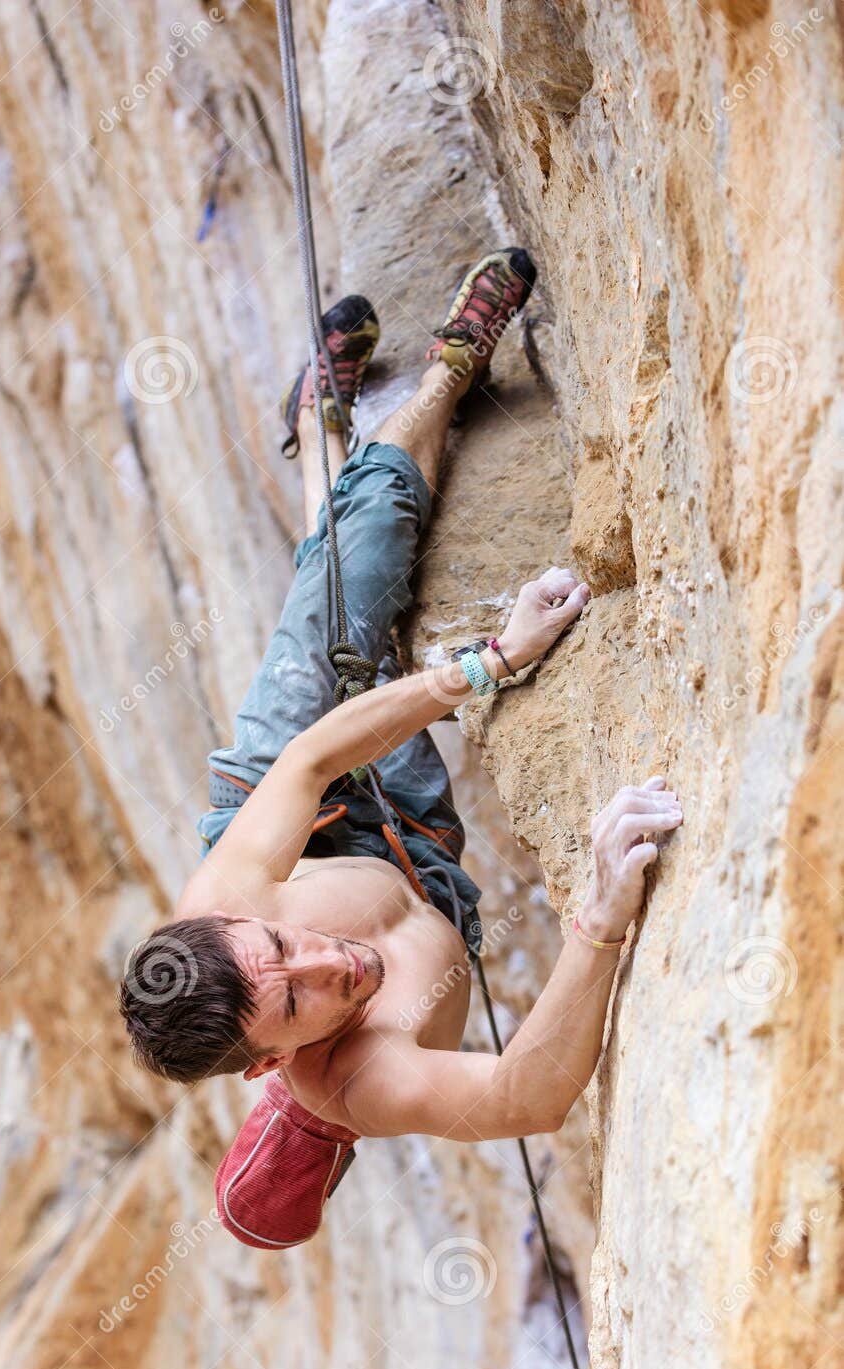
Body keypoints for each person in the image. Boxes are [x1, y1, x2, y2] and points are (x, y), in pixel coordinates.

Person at [120, 251, 683, 1144]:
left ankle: (446, 373)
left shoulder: (227, 892)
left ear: (235, 922)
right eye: (297, 1000)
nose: (326, 960)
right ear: (272, 1063)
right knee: (354, 598)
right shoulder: (358, 1081)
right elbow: (522, 1101)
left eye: (278, 945)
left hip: (283, 787)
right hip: (415, 859)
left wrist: (491, 661)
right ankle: (319, 439)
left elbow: (311, 757)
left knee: (367, 552)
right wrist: (600, 918)